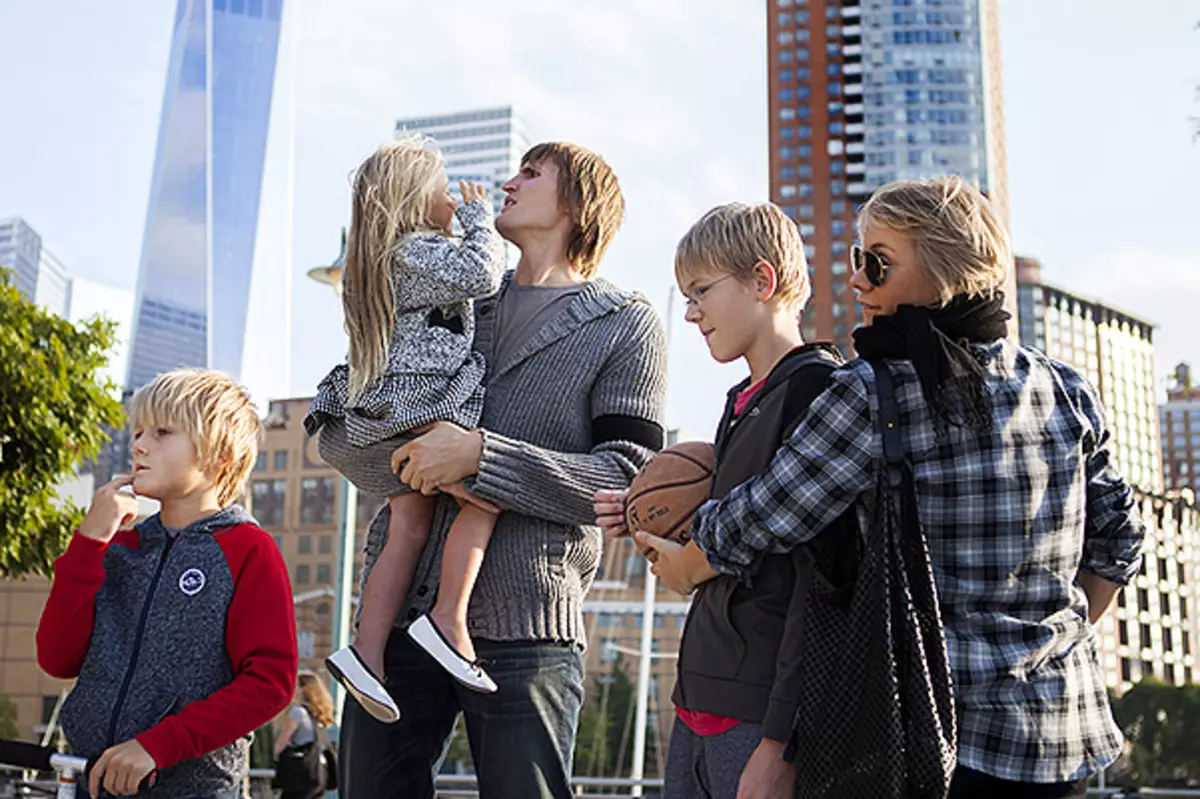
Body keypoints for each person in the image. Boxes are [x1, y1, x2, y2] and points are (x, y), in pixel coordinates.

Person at [642, 176, 1146, 798]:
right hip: (1060, 739)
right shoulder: (1066, 389)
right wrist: (1053, 642)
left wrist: (688, 544)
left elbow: (754, 520)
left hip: (930, 738)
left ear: (945, 266)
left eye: (877, 263)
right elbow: (1120, 541)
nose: (857, 280)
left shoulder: (874, 393)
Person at [336, 141, 668, 799]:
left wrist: (481, 457)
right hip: (400, 620)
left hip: (529, 629)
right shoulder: (458, 293)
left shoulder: (627, 325)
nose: (508, 181)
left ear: (577, 203)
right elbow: (364, 418)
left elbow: (626, 475)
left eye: (531, 172)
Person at [594, 201, 850, 799]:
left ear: (762, 281)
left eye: (701, 291)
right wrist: (649, 520)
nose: (689, 313)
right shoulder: (739, 400)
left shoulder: (817, 389)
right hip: (699, 694)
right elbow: (725, 532)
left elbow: (817, 581)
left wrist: (780, 739)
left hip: (759, 707)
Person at [305, 135, 507, 721]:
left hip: (391, 402)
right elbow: (483, 274)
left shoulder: (384, 258)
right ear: (413, 198)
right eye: (441, 184)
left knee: (409, 522)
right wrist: (475, 216)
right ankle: (448, 619)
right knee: (486, 495)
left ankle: (366, 651)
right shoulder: (413, 251)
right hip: (416, 405)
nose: (451, 192)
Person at [36, 368, 298, 798]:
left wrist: (156, 747)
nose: (138, 445)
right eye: (138, 431)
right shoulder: (118, 547)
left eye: (162, 432)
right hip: (90, 782)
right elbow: (57, 658)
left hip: (194, 790)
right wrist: (88, 543)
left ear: (220, 454)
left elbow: (269, 684)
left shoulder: (249, 549)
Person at [274, 671, 336, 799]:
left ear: (303, 689)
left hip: (300, 775)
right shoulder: (320, 716)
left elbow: (282, 741)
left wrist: (275, 754)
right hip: (320, 773)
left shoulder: (298, 712)